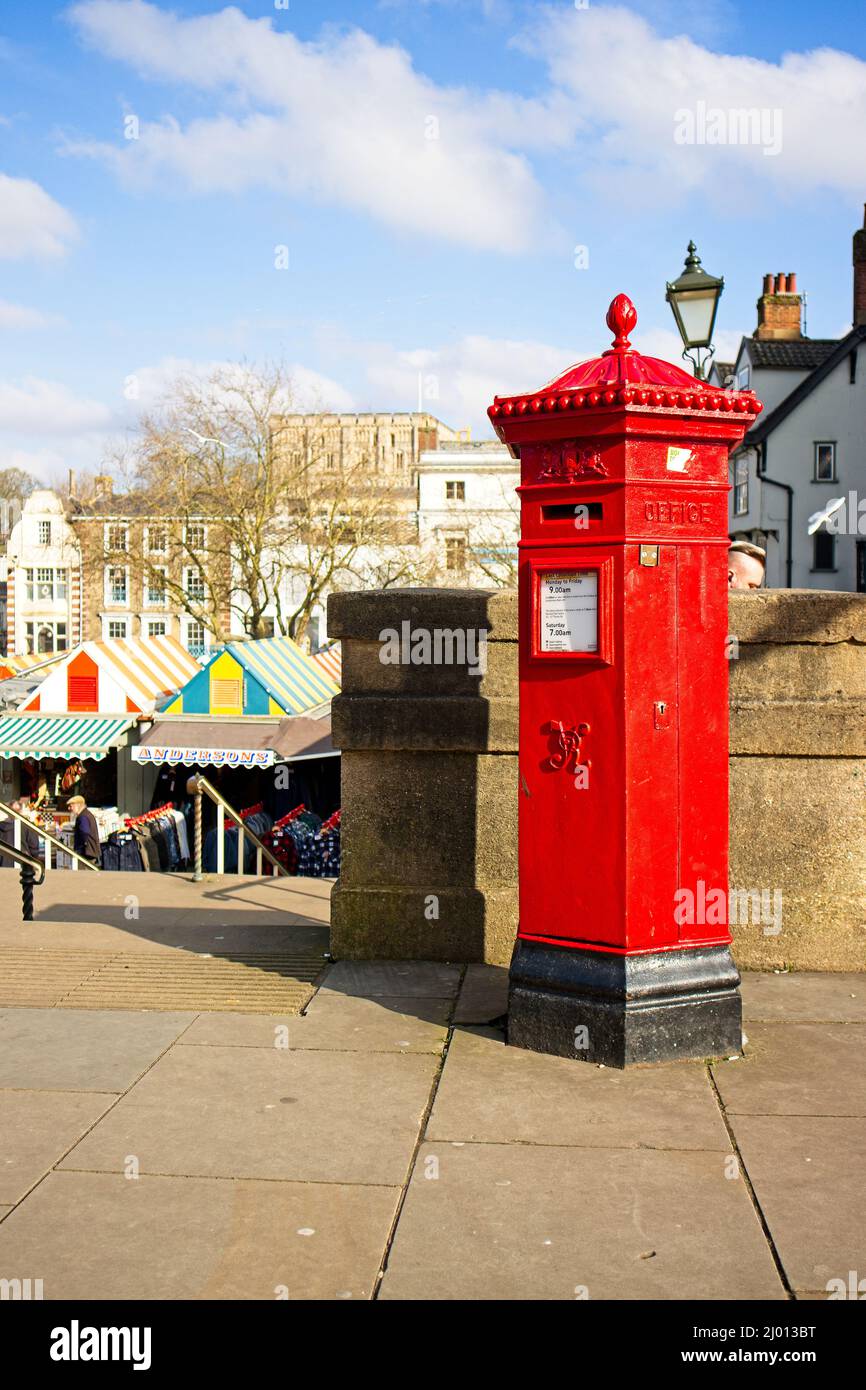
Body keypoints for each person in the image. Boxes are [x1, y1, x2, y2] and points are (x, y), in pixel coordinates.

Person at [67, 794, 101, 864]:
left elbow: (84, 832)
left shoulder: (82, 817)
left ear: (78, 805)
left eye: (71, 806)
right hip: (90, 851)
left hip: (86, 853)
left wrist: (80, 848)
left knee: (84, 873)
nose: (69, 808)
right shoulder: (87, 814)